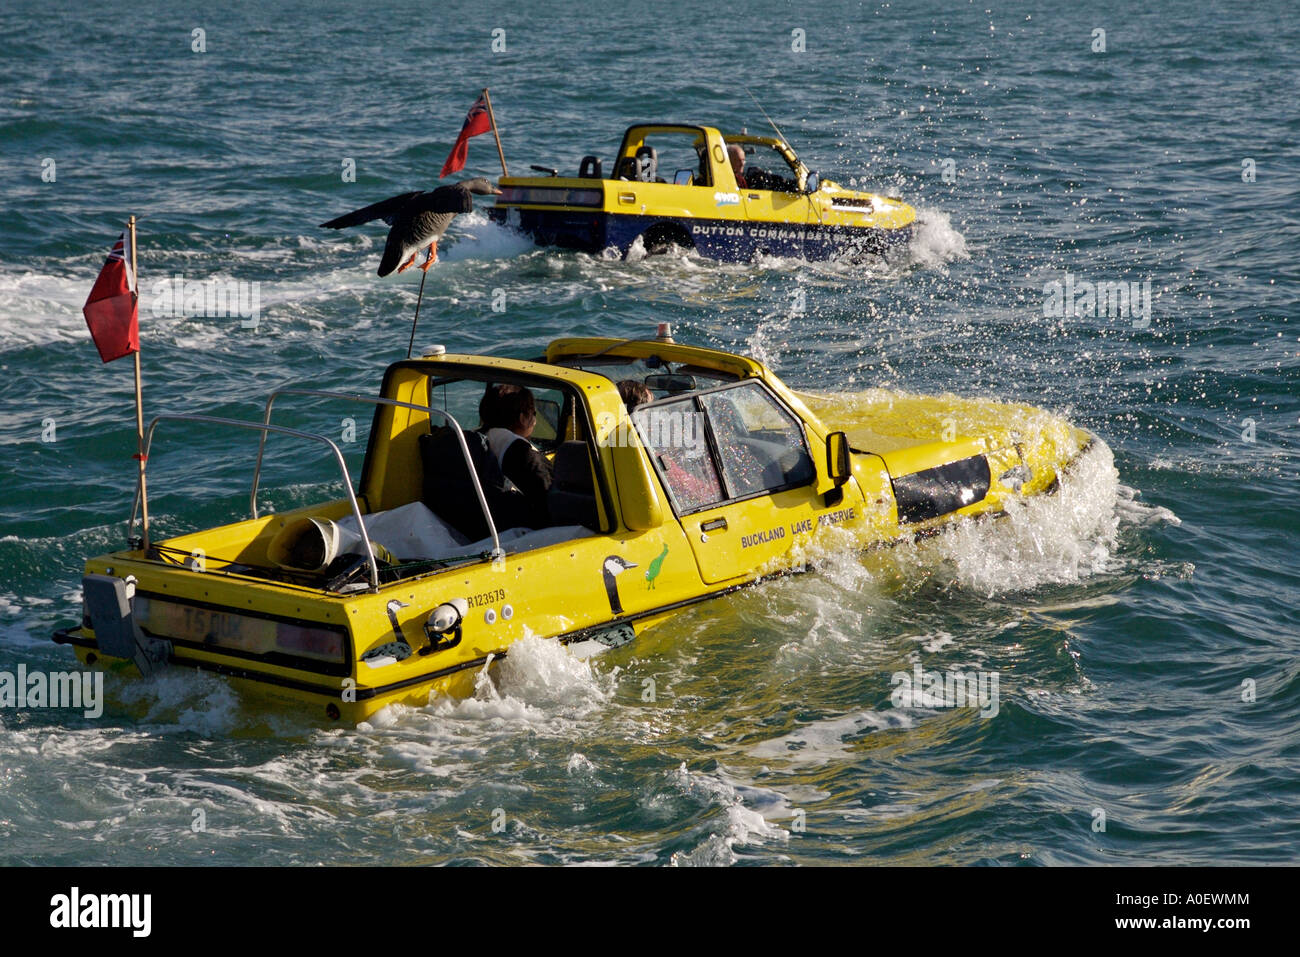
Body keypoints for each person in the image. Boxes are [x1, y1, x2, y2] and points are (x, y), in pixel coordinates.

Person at [479, 384, 552, 527]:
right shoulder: (526, 456)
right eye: (534, 414)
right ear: (523, 418)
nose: (535, 421)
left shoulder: (474, 441)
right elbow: (552, 505)